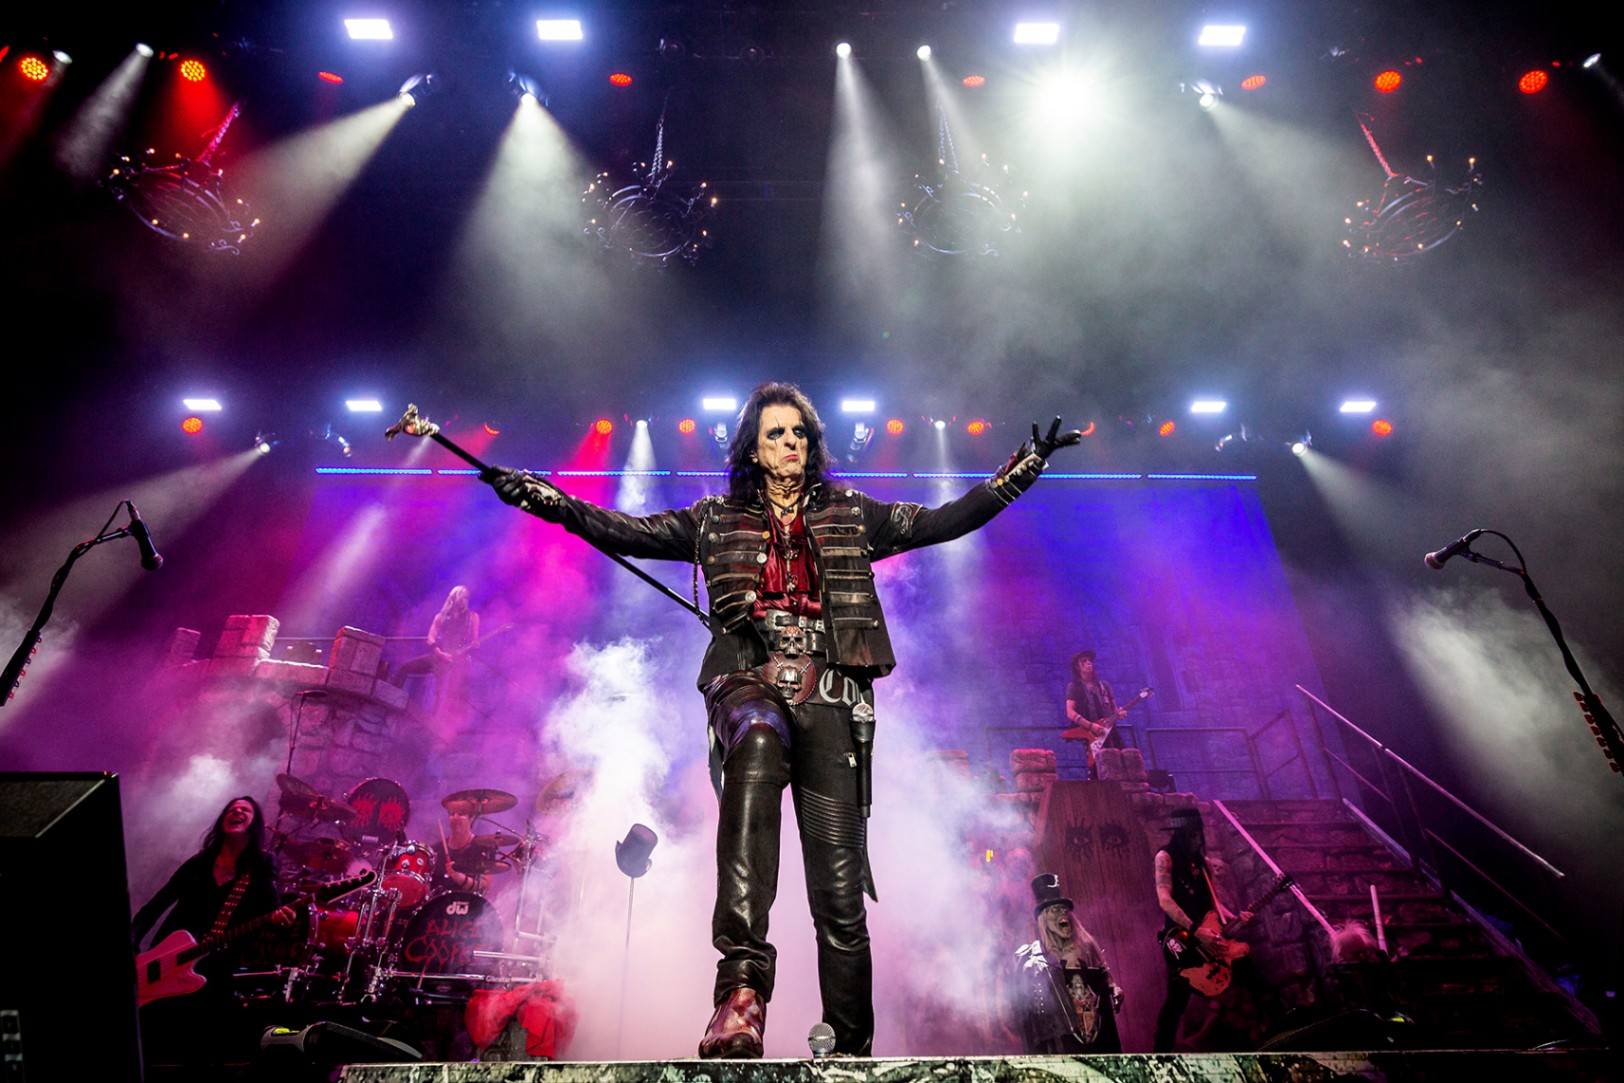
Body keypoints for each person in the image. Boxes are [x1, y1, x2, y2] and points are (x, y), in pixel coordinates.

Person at [485, 382, 1080, 1057]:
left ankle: (850, 1047)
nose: (790, 441)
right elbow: (627, 530)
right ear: (753, 449)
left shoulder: (852, 513)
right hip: (748, 682)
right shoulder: (715, 518)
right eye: (775, 433)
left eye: (799, 432)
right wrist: (548, 499)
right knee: (761, 739)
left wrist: (1019, 474)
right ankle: (741, 993)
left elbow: (942, 520)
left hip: (832, 698)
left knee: (840, 894)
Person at [130, 796, 297, 1063]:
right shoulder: (199, 863)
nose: (237, 811)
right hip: (168, 958)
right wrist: (132, 943)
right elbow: (155, 906)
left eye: (245, 810)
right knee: (148, 1030)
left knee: (193, 1041)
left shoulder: (261, 864)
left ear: (254, 824)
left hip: (214, 966)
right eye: (231, 809)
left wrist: (282, 920)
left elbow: (271, 912)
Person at [1152, 806, 1253, 1052]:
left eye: (1199, 833)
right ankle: (1159, 1056)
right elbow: (1165, 900)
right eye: (1193, 834)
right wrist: (1196, 930)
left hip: (1211, 937)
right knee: (1176, 1000)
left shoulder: (1203, 863)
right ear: (1182, 834)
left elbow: (1215, 905)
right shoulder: (1165, 857)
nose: (1198, 839)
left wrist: (1236, 918)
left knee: (1253, 977)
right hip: (1182, 941)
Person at [1008, 873, 1123, 1054]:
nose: (1062, 914)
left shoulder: (1086, 947)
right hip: (1060, 1046)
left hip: (1097, 1043)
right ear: (1044, 919)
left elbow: (1102, 971)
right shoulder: (1033, 960)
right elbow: (1021, 1013)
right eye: (1055, 910)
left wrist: (1113, 986)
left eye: (1064, 909)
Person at [394, 585, 481, 720]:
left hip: (457, 662)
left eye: (466, 597)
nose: (464, 600)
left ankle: (436, 723)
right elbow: (430, 638)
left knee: (444, 692)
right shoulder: (440, 617)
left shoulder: (473, 617)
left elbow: (475, 640)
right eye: (461, 597)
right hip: (438, 656)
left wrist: (475, 644)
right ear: (453, 598)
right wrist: (440, 653)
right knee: (404, 667)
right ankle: (391, 699)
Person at [1064, 649, 1123, 778]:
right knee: (1097, 768)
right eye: (1084, 661)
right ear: (1077, 667)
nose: (1088, 663)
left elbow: (1114, 708)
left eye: (1090, 660)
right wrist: (1091, 726)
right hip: (1091, 733)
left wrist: (1119, 713)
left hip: (1110, 731)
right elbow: (1070, 712)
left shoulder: (1104, 686)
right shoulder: (1074, 687)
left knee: (1119, 762)